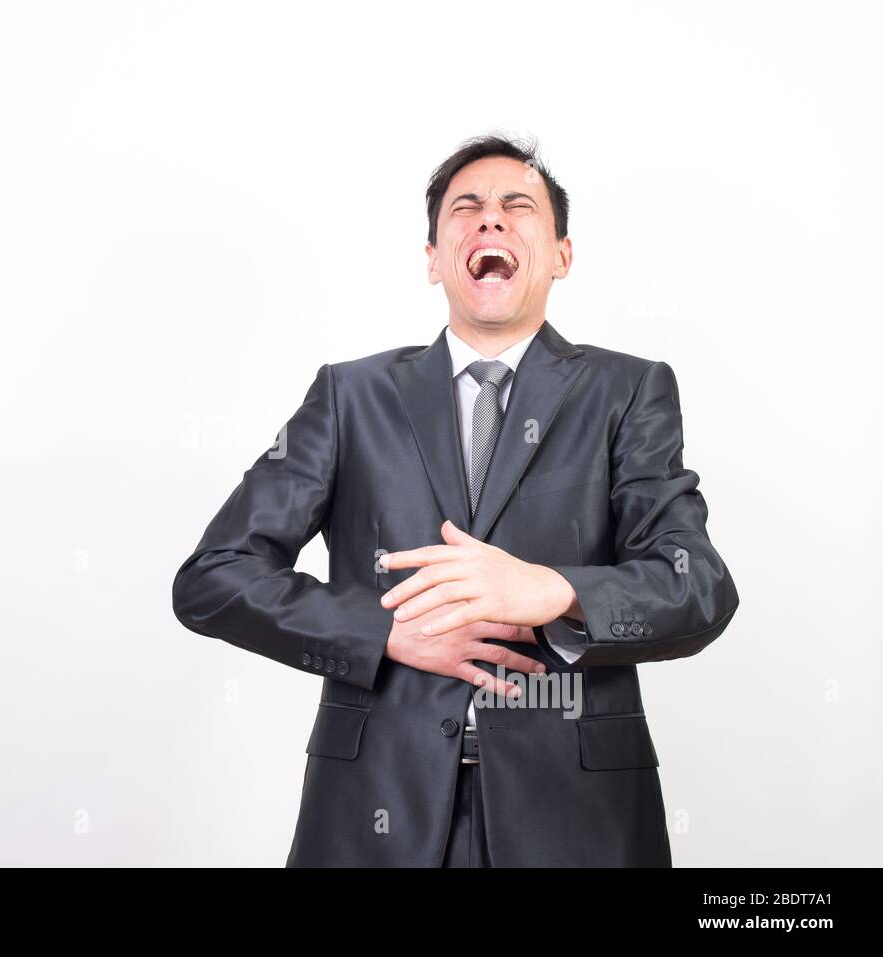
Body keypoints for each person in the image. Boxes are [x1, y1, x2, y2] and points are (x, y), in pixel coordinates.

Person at [171, 133, 739, 867]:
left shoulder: (628, 392)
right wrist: (382, 636)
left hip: (576, 821)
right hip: (375, 812)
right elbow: (214, 576)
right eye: (466, 208)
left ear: (562, 254)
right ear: (435, 258)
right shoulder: (352, 396)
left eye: (517, 206)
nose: (490, 220)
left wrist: (552, 589)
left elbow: (698, 588)